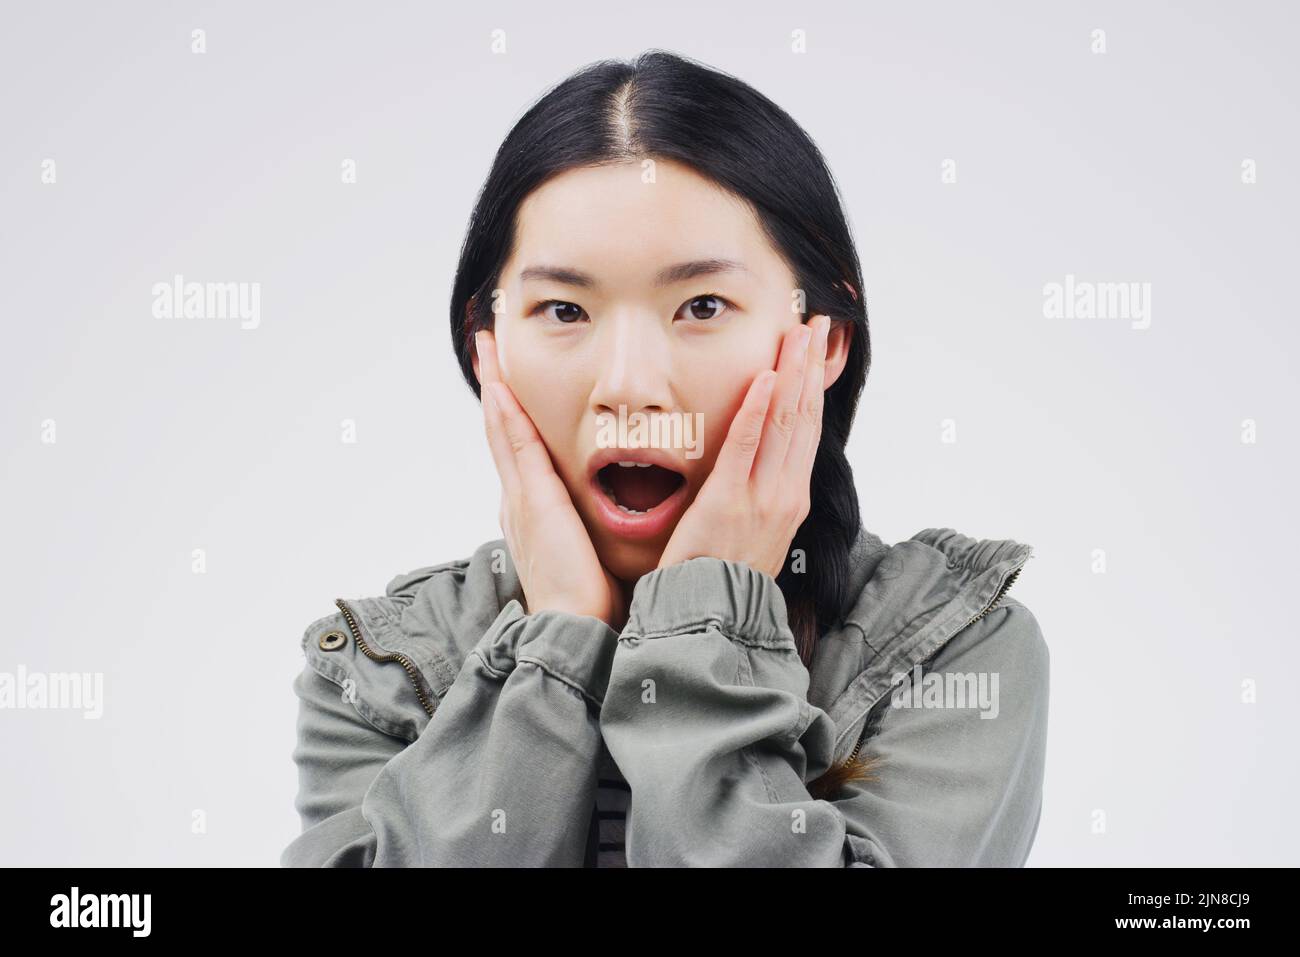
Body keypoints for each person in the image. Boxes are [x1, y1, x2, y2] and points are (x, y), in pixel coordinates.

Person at [281, 49, 1049, 868]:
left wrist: (704, 620)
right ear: (486, 346)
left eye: (703, 305)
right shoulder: (379, 672)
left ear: (824, 341)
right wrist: (558, 644)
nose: (628, 386)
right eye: (564, 308)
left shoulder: (950, 651)